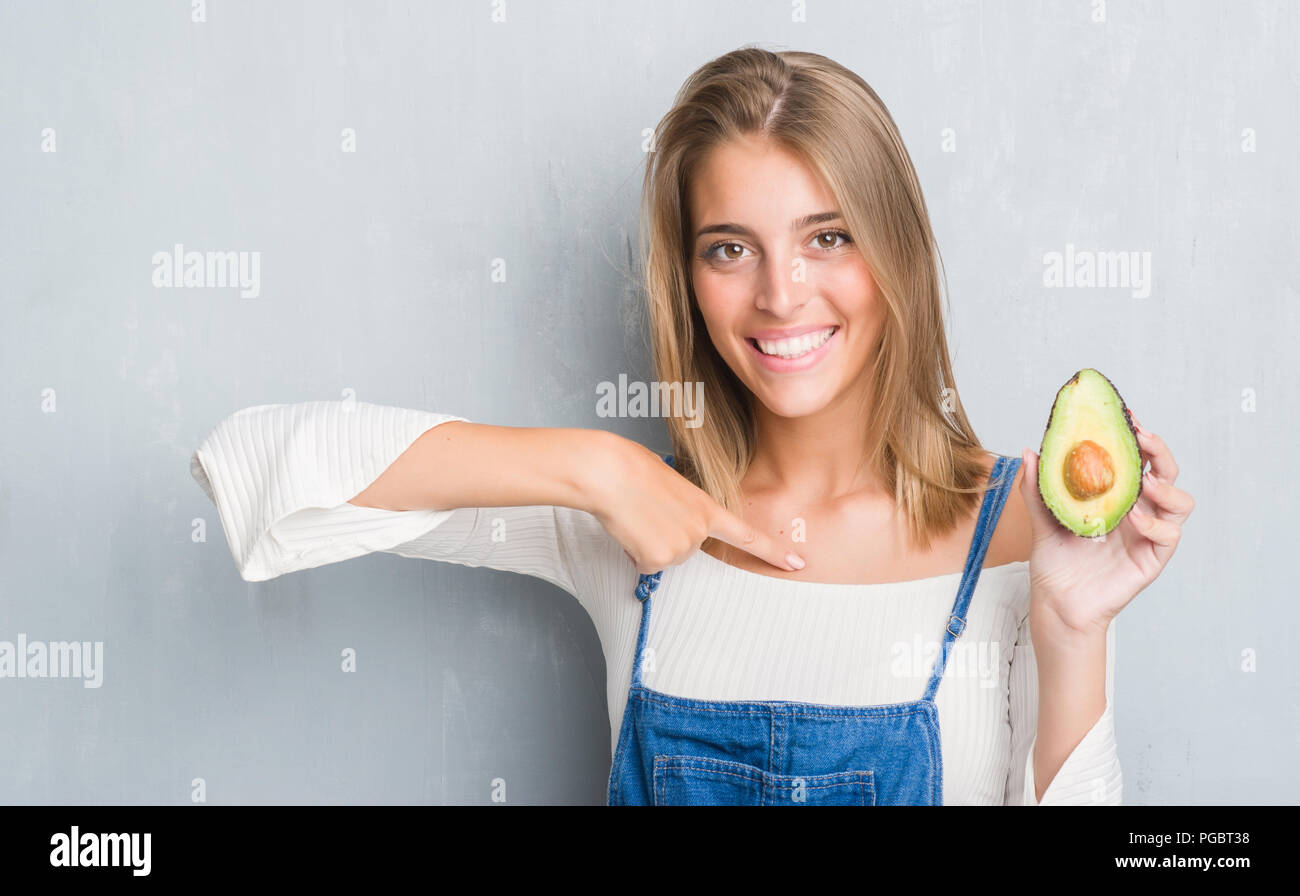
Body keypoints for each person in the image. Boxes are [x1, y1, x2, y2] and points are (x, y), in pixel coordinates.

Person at [190, 46, 1194, 805]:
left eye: (826, 237)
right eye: (728, 249)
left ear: (898, 255)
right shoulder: (628, 519)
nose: (780, 295)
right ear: (688, 282)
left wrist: (1070, 630)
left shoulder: (1028, 526)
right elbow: (259, 464)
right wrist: (593, 466)